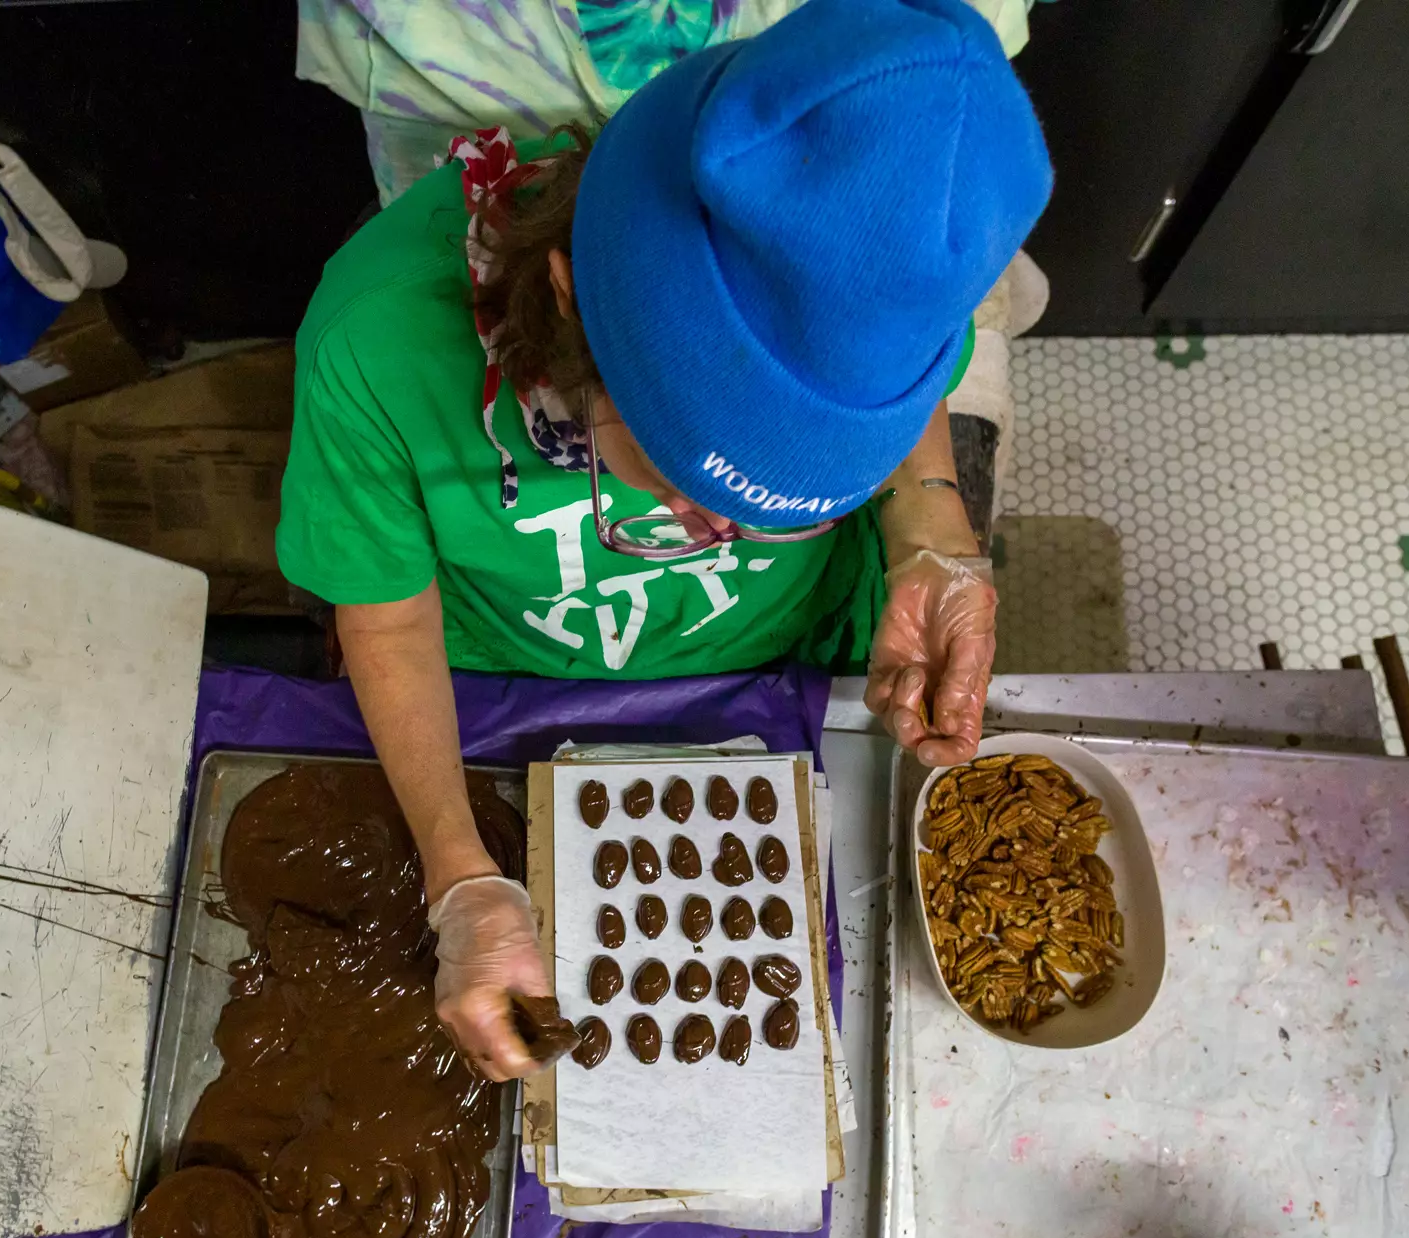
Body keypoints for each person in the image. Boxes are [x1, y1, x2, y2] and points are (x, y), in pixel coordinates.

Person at [274, 0, 1051, 1080]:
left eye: (791, 500)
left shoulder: (878, 246)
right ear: (563, 295)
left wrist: (929, 522)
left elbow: (897, 360)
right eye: (679, 475)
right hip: (511, 678)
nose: (713, 532)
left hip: (783, 651)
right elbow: (387, 609)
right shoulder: (377, 340)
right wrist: (457, 873)